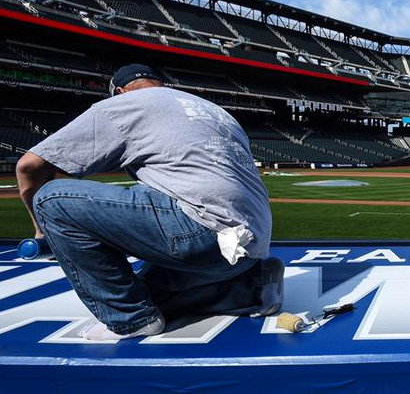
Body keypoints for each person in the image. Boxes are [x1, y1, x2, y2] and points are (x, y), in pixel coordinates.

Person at [15, 64, 283, 341]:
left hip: (202, 233)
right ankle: (249, 285)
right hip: (249, 248)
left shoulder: (126, 104)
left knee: (52, 199)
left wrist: (42, 232)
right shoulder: (213, 109)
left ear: (119, 92)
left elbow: (30, 167)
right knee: (145, 289)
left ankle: (131, 320)